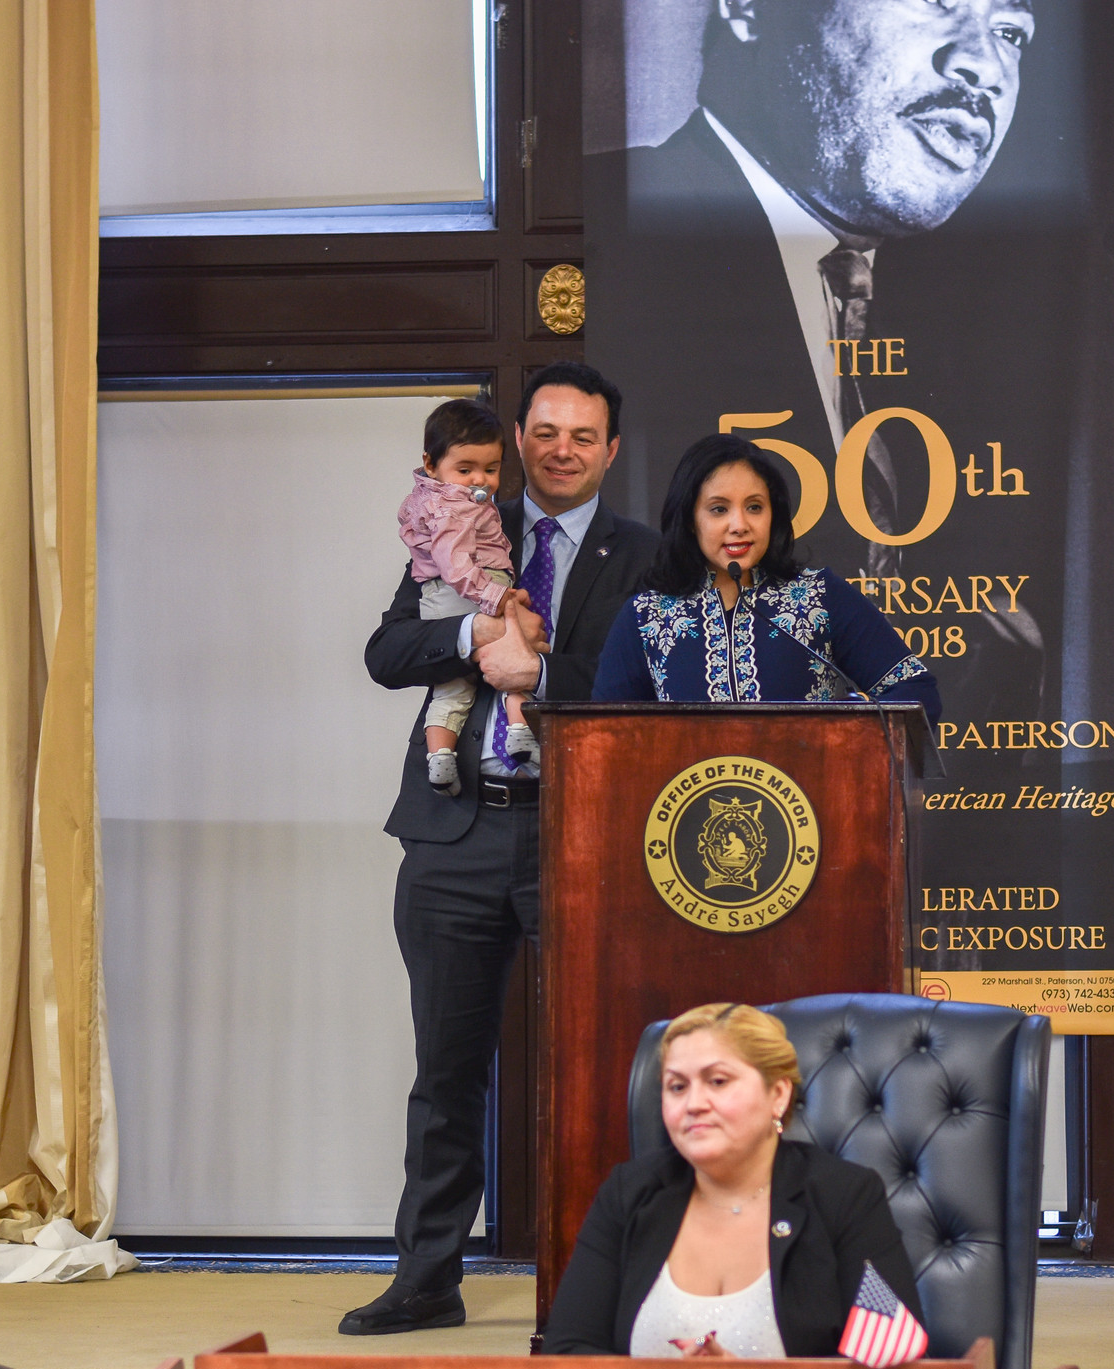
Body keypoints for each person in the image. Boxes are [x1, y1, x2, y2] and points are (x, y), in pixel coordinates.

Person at [585, 0, 1047, 712]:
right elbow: (602, 724)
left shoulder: (985, 322)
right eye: (932, 4)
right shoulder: (606, 239)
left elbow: (913, 684)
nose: (982, 66)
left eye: (1011, 33)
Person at [347, 363, 658, 1335]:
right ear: (520, 439)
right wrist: (473, 634)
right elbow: (387, 653)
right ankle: (426, 1277)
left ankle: (599, 1279)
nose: (561, 449)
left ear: (609, 451)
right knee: (445, 1071)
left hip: (581, 836)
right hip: (457, 832)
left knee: (597, 1068)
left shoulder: (645, 555)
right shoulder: (458, 523)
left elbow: (653, 687)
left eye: (583, 436)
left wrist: (546, 671)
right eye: (546, 432)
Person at [542, 1002, 924, 1357]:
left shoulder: (845, 1196)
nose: (693, 1104)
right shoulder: (630, 1193)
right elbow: (568, 1350)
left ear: (777, 1094)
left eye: (718, 1082)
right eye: (677, 1086)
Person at [592, 432, 941, 719]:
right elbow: (603, 735)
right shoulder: (646, 616)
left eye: (755, 507)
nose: (739, 525)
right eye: (718, 509)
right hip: (686, 802)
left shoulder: (817, 596)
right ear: (689, 519)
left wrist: (842, 731)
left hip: (806, 802)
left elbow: (914, 691)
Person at [398, 398, 535, 793]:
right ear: (431, 465)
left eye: (491, 469)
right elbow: (457, 567)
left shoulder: (436, 502)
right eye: (465, 469)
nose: (480, 480)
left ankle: (440, 757)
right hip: (472, 590)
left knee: (452, 687)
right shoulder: (453, 509)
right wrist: (497, 600)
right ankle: (520, 731)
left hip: (440, 598)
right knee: (515, 653)